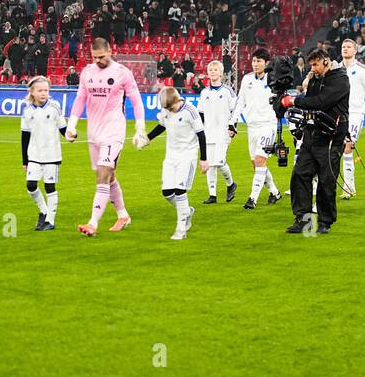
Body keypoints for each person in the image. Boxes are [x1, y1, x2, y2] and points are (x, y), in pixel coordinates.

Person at [65, 37, 147, 236]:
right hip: (94, 133)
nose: (98, 61)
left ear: (110, 51)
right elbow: (80, 98)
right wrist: (71, 125)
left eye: (101, 57)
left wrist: (140, 129)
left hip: (114, 132)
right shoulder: (87, 72)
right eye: (94, 57)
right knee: (109, 177)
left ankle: (93, 223)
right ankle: (123, 215)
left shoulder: (122, 73)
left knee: (102, 173)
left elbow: (136, 101)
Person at [280, 49, 349, 235]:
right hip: (311, 134)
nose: (313, 68)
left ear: (326, 61)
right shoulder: (315, 78)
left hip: (330, 138)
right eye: (311, 65)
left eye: (315, 64)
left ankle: (325, 222)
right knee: (300, 175)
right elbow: (309, 100)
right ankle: (304, 221)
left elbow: (321, 101)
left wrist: (294, 100)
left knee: (327, 181)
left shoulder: (340, 78)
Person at [144, 86, 206, 240]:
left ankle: (181, 228)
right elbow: (161, 126)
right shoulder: (167, 110)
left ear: (178, 100)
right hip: (171, 156)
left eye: (171, 107)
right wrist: (147, 138)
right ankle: (187, 211)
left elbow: (201, 135)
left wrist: (203, 159)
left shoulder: (190, 111)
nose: (170, 111)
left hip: (187, 155)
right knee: (167, 193)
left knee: (180, 190)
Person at [231, 48, 283, 209]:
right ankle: (275, 192)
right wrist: (232, 122)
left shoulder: (274, 79)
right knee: (256, 164)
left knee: (261, 160)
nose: (255, 64)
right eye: (254, 61)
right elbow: (241, 101)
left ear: (266, 63)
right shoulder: (247, 79)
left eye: (259, 61)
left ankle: (252, 199)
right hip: (252, 126)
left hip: (268, 125)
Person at [20, 76, 66, 231]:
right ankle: (44, 211)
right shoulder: (27, 110)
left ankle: (50, 221)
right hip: (34, 155)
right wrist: (25, 160)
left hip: (52, 155)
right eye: (40, 90)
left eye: (46, 90)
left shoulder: (55, 106)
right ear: (32, 92)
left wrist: (69, 135)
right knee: (30, 185)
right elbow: (24, 136)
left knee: (49, 187)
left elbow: (62, 127)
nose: (44, 93)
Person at [337, 39, 365, 200]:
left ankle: (348, 187)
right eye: (343, 47)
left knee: (348, 146)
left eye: (348, 47)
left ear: (355, 50)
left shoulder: (362, 70)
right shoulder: (336, 69)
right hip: (337, 114)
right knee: (334, 149)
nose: (345, 49)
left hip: (355, 114)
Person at [197, 60, 238, 204]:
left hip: (223, 132)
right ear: (207, 73)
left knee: (219, 162)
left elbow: (235, 111)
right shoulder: (204, 93)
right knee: (210, 164)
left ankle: (231, 184)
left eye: (215, 70)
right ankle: (212, 195)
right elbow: (200, 114)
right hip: (208, 133)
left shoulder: (228, 91)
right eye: (210, 70)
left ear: (221, 73)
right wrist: (198, 131)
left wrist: (233, 127)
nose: (213, 72)